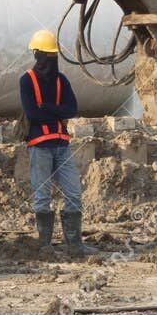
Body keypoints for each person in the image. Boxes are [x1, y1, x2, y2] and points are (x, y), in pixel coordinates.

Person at [19, 29, 94, 255]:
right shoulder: (27, 80)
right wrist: (56, 112)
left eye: (51, 56)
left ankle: (74, 245)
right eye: (46, 56)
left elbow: (71, 110)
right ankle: (45, 246)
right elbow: (32, 114)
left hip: (62, 145)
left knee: (73, 193)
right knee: (42, 196)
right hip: (40, 146)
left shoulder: (62, 80)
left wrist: (47, 108)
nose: (48, 61)